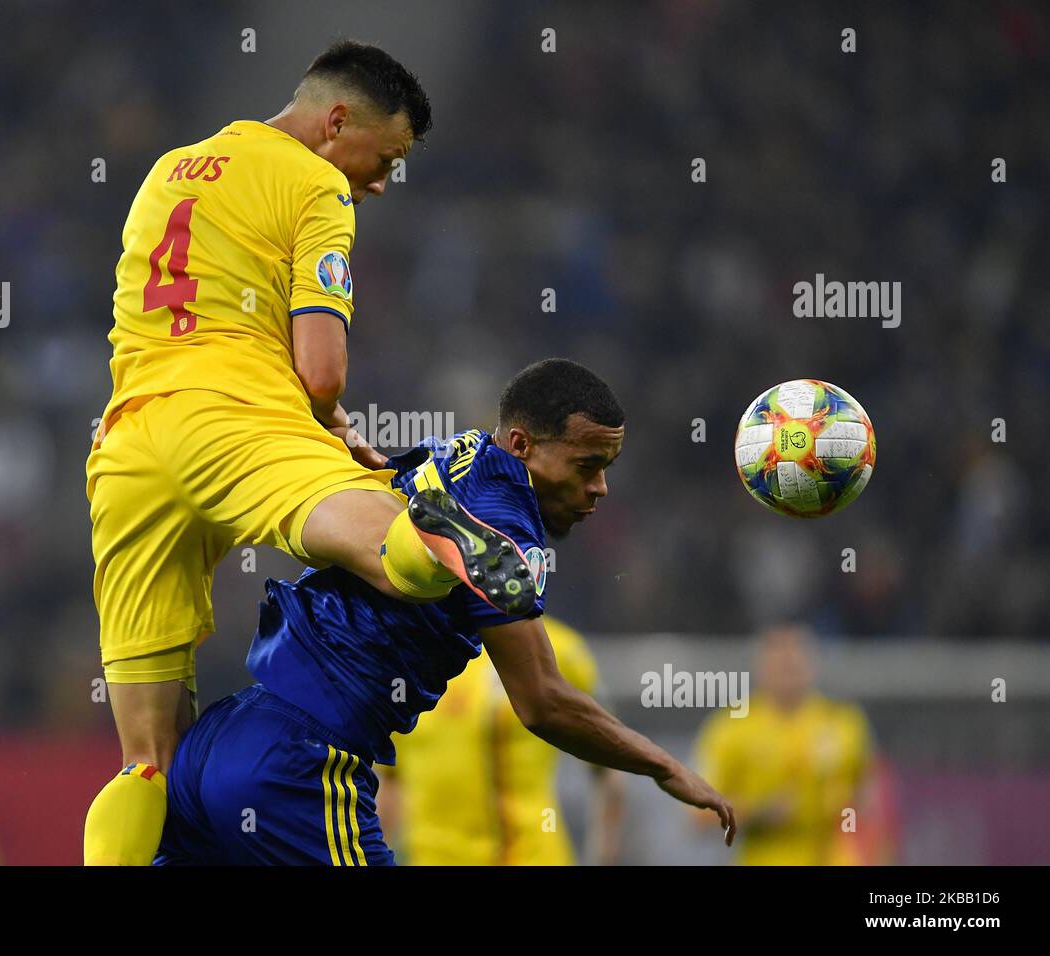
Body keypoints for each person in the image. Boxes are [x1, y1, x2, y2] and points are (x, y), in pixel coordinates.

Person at [84, 40, 536, 865]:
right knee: (390, 538)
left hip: (126, 445)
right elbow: (319, 367)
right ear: (336, 124)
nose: (380, 183)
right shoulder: (314, 183)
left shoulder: (170, 169)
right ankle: (454, 533)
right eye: (386, 159)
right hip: (233, 417)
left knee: (148, 762)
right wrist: (330, 420)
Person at [153, 359, 736, 864]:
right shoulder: (508, 529)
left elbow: (380, 481)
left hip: (219, 745)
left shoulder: (457, 453)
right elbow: (542, 701)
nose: (601, 488)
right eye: (586, 466)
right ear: (522, 446)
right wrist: (663, 766)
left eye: (607, 466)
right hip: (301, 766)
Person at [377, 615, 626, 865]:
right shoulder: (405, 657)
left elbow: (610, 766)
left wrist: (604, 857)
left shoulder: (554, 648)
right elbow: (390, 781)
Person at [691, 624, 873, 865]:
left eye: (795, 663)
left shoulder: (844, 723)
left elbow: (868, 801)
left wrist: (846, 820)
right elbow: (698, 815)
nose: (789, 671)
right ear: (761, 668)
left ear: (812, 664)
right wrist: (758, 812)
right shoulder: (731, 728)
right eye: (780, 664)